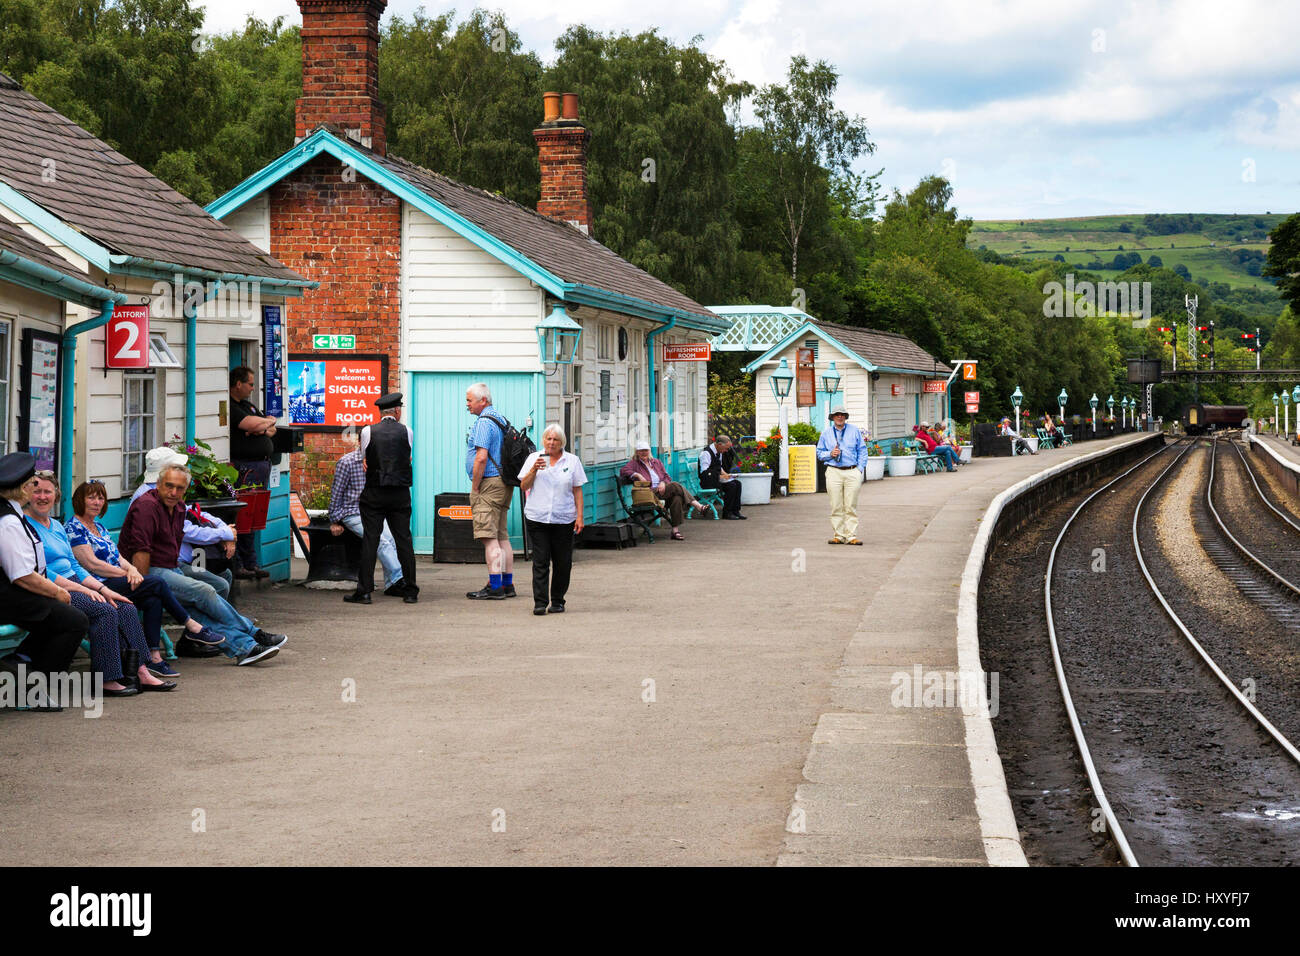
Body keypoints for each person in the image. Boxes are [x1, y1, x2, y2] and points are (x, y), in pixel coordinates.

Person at [24, 471, 176, 695]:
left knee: (124, 605)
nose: (43, 496)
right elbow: (42, 570)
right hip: (52, 586)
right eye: (37, 491)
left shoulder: (55, 526)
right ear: (27, 492)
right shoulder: (24, 525)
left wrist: (101, 588)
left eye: (48, 491)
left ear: (57, 495)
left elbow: (75, 566)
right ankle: (107, 679)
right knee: (104, 611)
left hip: (75, 580)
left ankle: (140, 671)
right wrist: (82, 589)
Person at [119, 462, 285, 666]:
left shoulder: (178, 506)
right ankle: (252, 632)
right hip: (146, 571)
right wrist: (145, 586)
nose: (173, 492)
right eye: (169, 486)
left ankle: (244, 648)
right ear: (159, 484)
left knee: (213, 592)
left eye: (179, 488)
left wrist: (223, 533)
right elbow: (140, 550)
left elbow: (200, 519)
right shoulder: (146, 506)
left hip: (172, 566)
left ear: (186, 489)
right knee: (203, 590)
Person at [67, 479, 226, 679]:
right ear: (79, 501)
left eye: (100, 498)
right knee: (156, 583)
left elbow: (118, 557)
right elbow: (92, 564)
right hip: (98, 584)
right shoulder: (74, 528)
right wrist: (128, 574)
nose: (97, 502)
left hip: (118, 579)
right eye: (91, 498)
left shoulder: (99, 526)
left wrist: (132, 569)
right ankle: (191, 625)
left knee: (154, 599)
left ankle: (154, 658)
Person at [0, 453, 85, 711]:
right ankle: (31, 687)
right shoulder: (8, 522)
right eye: (31, 484)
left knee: (64, 618)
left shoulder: (11, 514)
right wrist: (57, 591)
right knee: (74, 621)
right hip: (9, 596)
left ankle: (19, 664)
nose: (34, 489)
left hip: (14, 594)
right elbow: (22, 575)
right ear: (22, 489)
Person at [345, 392, 418, 605]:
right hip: (400, 493)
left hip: (375, 492)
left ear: (381, 412)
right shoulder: (407, 431)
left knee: (371, 539)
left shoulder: (368, 431)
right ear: (397, 411)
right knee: (404, 539)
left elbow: (364, 459)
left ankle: (364, 591)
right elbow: (408, 456)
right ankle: (411, 590)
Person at [518, 425, 587, 615]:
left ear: (561, 442)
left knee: (562, 562)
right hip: (537, 517)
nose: (551, 443)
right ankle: (540, 602)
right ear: (543, 441)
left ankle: (558, 600)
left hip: (563, 518)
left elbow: (577, 490)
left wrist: (580, 517)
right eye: (548, 439)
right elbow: (523, 485)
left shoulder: (572, 461)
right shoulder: (534, 458)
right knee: (540, 561)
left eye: (555, 439)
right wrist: (533, 470)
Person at [329, 438, 405, 598]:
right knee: (380, 541)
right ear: (360, 442)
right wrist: (334, 520)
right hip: (352, 512)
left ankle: (391, 585)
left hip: (373, 511)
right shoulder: (346, 462)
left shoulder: (380, 461)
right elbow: (337, 492)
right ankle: (400, 578)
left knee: (391, 539)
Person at [465, 383, 517, 599]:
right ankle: (507, 584)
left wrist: (476, 486)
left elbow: (481, 457)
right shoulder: (500, 418)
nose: (467, 405)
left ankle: (495, 587)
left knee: (489, 538)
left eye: (469, 400)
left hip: (489, 483)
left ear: (483, 401)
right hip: (503, 483)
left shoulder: (484, 422)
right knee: (502, 535)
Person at [228, 365, 276, 580]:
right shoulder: (232, 407)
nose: (252, 388)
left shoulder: (248, 405)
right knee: (243, 515)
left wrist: (261, 427)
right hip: (245, 468)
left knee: (255, 515)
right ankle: (239, 564)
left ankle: (252, 563)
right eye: (250, 384)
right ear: (238, 384)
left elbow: (272, 425)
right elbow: (249, 423)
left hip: (261, 466)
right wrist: (257, 426)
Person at [619, 439, 707, 540]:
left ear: (649, 451)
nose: (644, 453)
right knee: (675, 485)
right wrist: (637, 474)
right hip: (650, 494)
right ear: (637, 452)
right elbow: (623, 471)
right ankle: (698, 506)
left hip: (663, 492)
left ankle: (675, 531)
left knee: (677, 498)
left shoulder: (656, 462)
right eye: (641, 450)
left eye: (646, 450)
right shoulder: (635, 463)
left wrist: (662, 483)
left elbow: (666, 477)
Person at [816, 406, 868, 545]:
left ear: (846, 417)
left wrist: (860, 469)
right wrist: (829, 454)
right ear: (832, 417)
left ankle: (851, 536)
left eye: (842, 415)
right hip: (834, 471)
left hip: (852, 471)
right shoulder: (826, 433)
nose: (840, 417)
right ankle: (838, 535)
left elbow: (862, 450)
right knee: (836, 505)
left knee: (851, 505)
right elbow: (819, 453)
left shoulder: (854, 431)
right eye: (837, 415)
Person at [699, 434, 744, 520]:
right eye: (726, 448)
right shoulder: (706, 453)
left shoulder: (719, 452)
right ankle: (727, 513)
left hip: (717, 479)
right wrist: (721, 476)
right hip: (708, 481)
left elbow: (719, 467)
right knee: (731, 486)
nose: (727, 451)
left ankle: (736, 511)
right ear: (719, 445)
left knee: (738, 483)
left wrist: (727, 475)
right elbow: (704, 472)